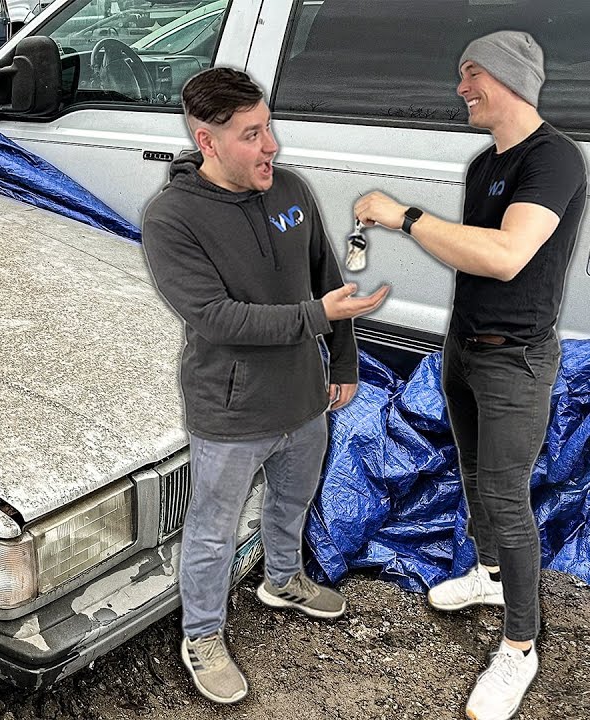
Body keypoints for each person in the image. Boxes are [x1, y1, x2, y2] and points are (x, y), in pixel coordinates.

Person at [355, 30, 585, 720]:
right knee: (474, 471)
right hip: (466, 347)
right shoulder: (486, 161)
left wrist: (404, 217)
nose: (460, 88)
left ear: (508, 78)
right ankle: (487, 576)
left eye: (471, 74)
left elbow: (509, 254)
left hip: (516, 357)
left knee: (507, 495)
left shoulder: (555, 158)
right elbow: (471, 254)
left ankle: (521, 646)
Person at [142, 67, 389, 705]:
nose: (271, 146)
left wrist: (342, 362)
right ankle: (201, 633)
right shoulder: (172, 219)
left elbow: (325, 280)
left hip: (305, 399)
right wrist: (322, 319)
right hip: (232, 408)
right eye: (252, 135)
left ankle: (283, 579)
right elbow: (217, 320)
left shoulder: (292, 192)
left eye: (269, 128)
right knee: (212, 528)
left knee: (292, 502)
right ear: (208, 141)